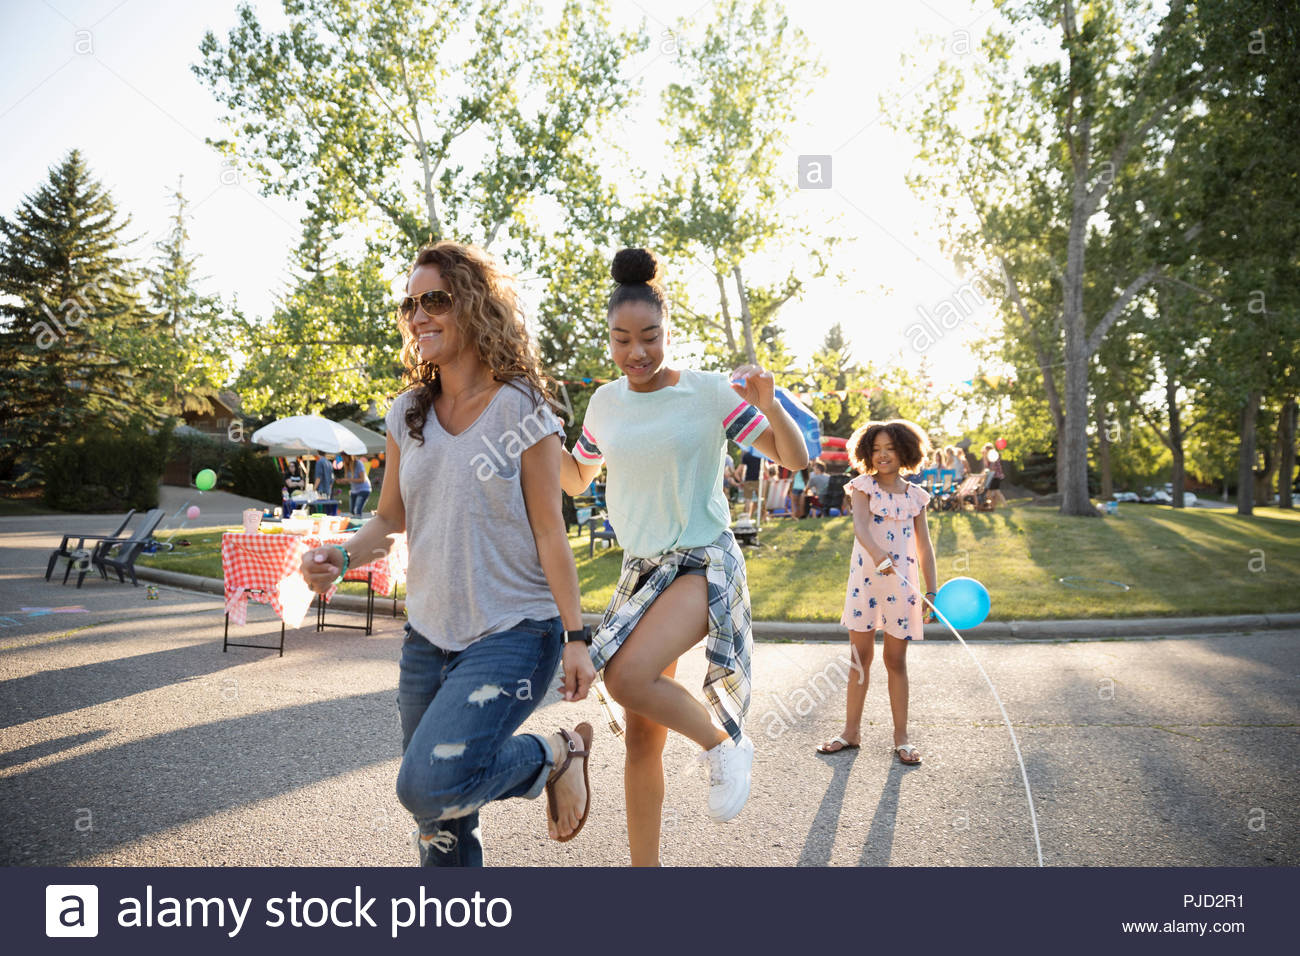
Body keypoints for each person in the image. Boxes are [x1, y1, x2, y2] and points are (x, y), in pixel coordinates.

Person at [299, 240, 597, 866]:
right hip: (427, 637)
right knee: (442, 825)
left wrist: (575, 636)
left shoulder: (521, 408)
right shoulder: (408, 411)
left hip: (514, 631)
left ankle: (553, 756)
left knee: (427, 785)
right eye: (410, 305)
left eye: (434, 299)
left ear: (474, 305)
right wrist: (343, 556)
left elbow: (550, 531)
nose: (419, 315)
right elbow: (390, 517)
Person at [560, 248, 809, 866]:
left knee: (624, 677)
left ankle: (724, 743)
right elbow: (572, 478)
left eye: (649, 337)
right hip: (641, 573)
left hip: (702, 563)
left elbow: (795, 459)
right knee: (642, 737)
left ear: (669, 332)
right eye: (621, 340)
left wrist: (770, 402)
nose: (636, 352)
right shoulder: (604, 405)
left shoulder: (708, 394)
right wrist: (530, 430)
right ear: (609, 340)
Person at [817, 419, 937, 766]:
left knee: (896, 660)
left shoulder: (916, 496)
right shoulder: (863, 487)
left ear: (905, 451)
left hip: (903, 587)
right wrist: (877, 553)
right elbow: (860, 527)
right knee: (860, 659)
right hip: (866, 581)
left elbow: (924, 546)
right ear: (867, 454)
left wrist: (932, 589)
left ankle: (902, 738)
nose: (883, 455)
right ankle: (850, 732)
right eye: (876, 449)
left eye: (890, 448)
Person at [740, 444, 764, 520]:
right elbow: (765, 468)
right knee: (760, 498)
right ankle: (763, 516)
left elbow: (743, 469)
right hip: (758, 480)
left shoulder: (746, 455)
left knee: (748, 500)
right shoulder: (760, 455)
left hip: (748, 480)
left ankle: (747, 517)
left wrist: (742, 479)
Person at [981, 442, 1007, 508]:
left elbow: (991, 468)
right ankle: (994, 505)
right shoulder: (992, 455)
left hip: (994, 476)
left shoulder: (992, 455)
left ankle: (1004, 505)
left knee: (993, 492)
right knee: (994, 492)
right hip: (996, 476)